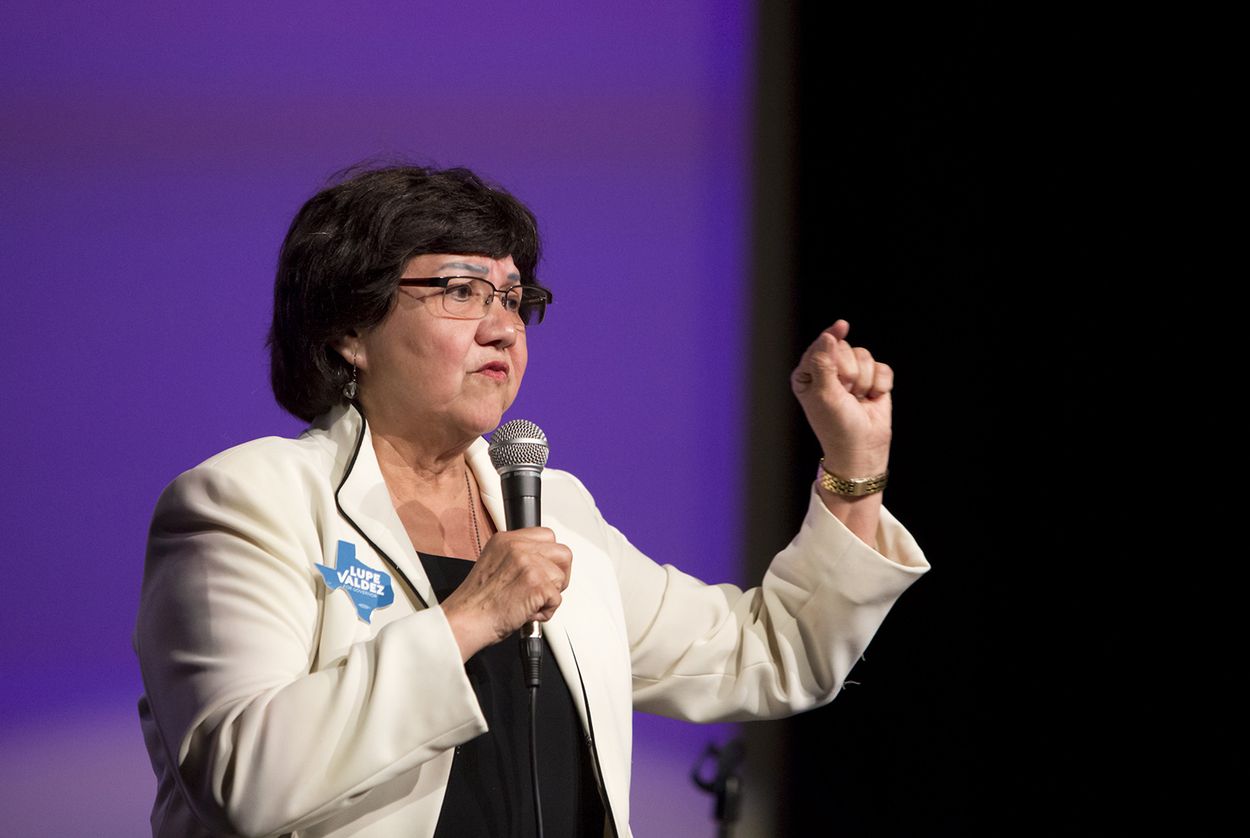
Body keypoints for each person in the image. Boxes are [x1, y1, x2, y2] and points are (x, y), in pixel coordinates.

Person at [133, 164, 929, 838]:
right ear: (350, 328)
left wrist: (852, 467)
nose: (503, 330)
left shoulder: (556, 510)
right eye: (461, 290)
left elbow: (769, 654)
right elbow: (245, 775)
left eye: (513, 298)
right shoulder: (247, 502)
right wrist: (472, 616)